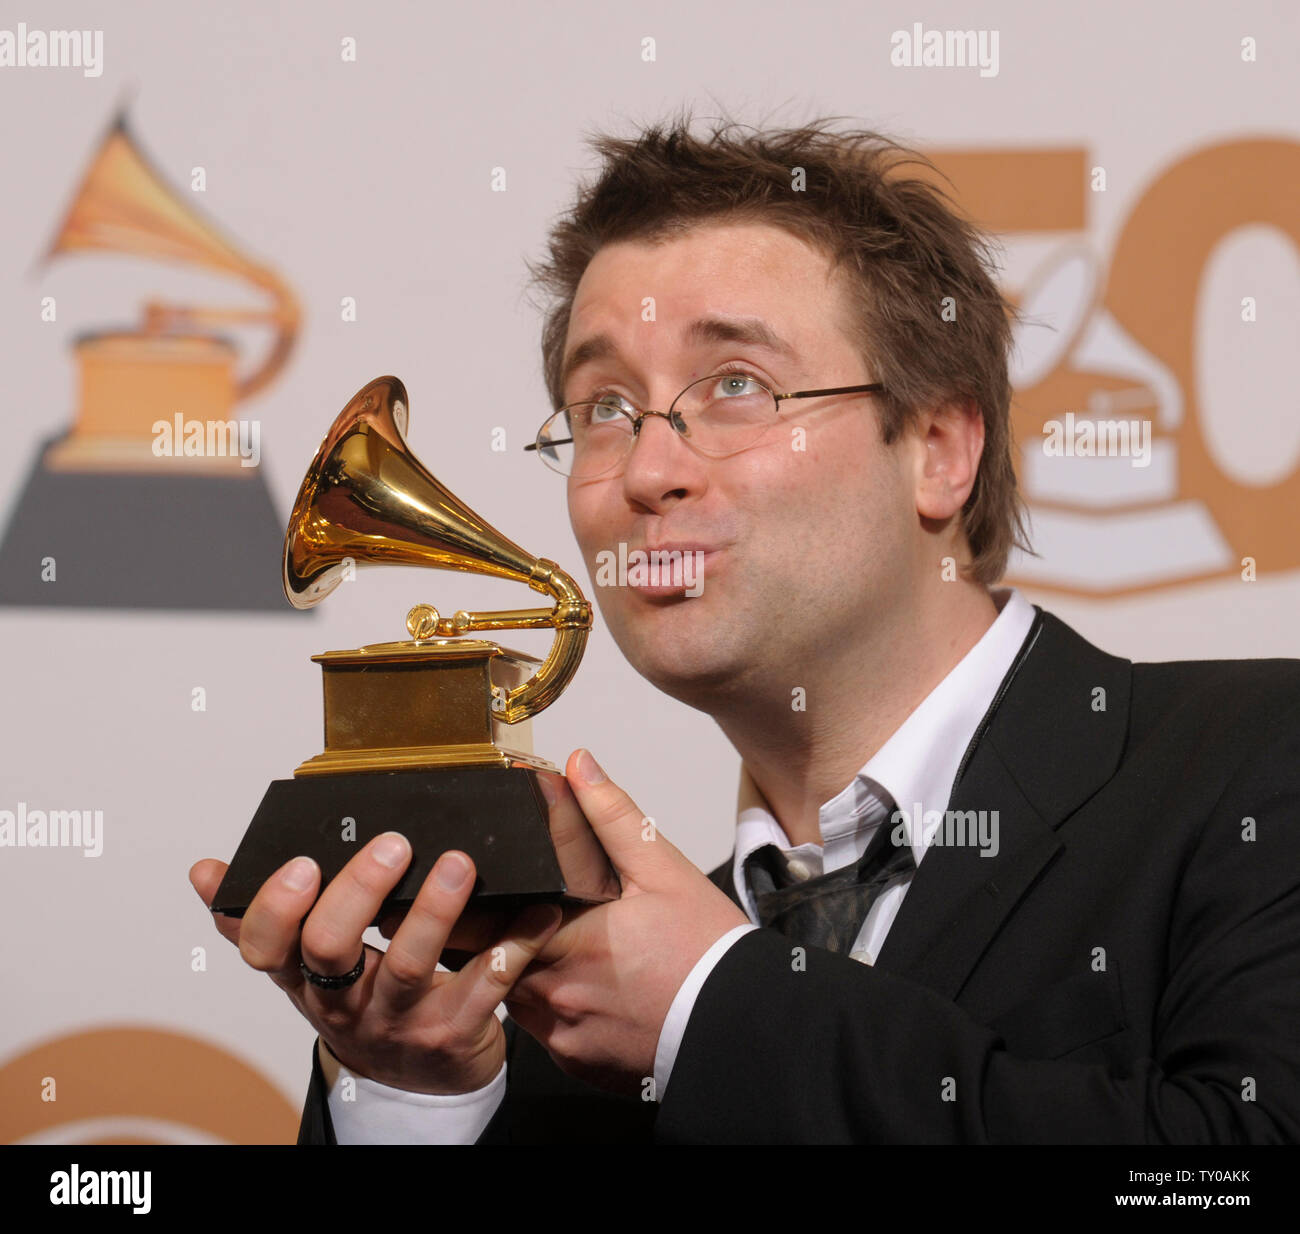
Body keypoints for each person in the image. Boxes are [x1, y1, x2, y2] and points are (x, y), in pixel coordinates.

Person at [190, 112, 1300, 1144]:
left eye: (734, 384)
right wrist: (413, 1094)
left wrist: (713, 1006)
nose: (648, 470)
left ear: (939, 450)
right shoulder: (555, 989)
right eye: (604, 410)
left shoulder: (1259, 761)